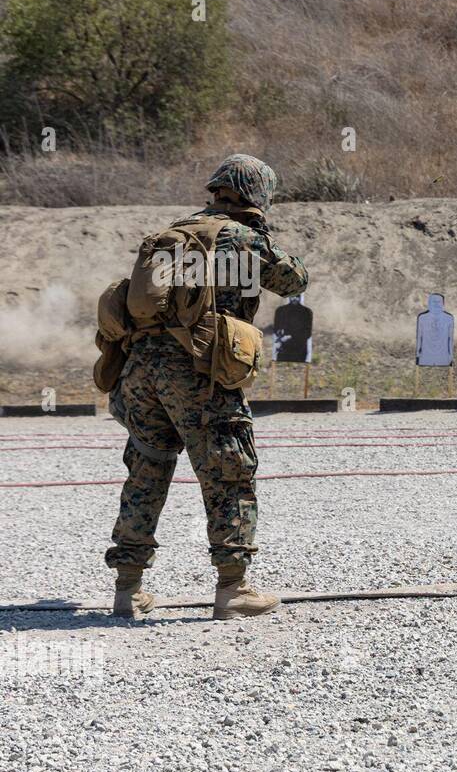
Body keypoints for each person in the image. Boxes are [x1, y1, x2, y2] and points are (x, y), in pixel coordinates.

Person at [106, 154, 309, 620]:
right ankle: (233, 588)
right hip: (197, 368)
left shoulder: (171, 234)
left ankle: (128, 589)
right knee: (228, 472)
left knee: (146, 472)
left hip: (139, 371)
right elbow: (295, 279)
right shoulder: (241, 238)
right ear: (257, 194)